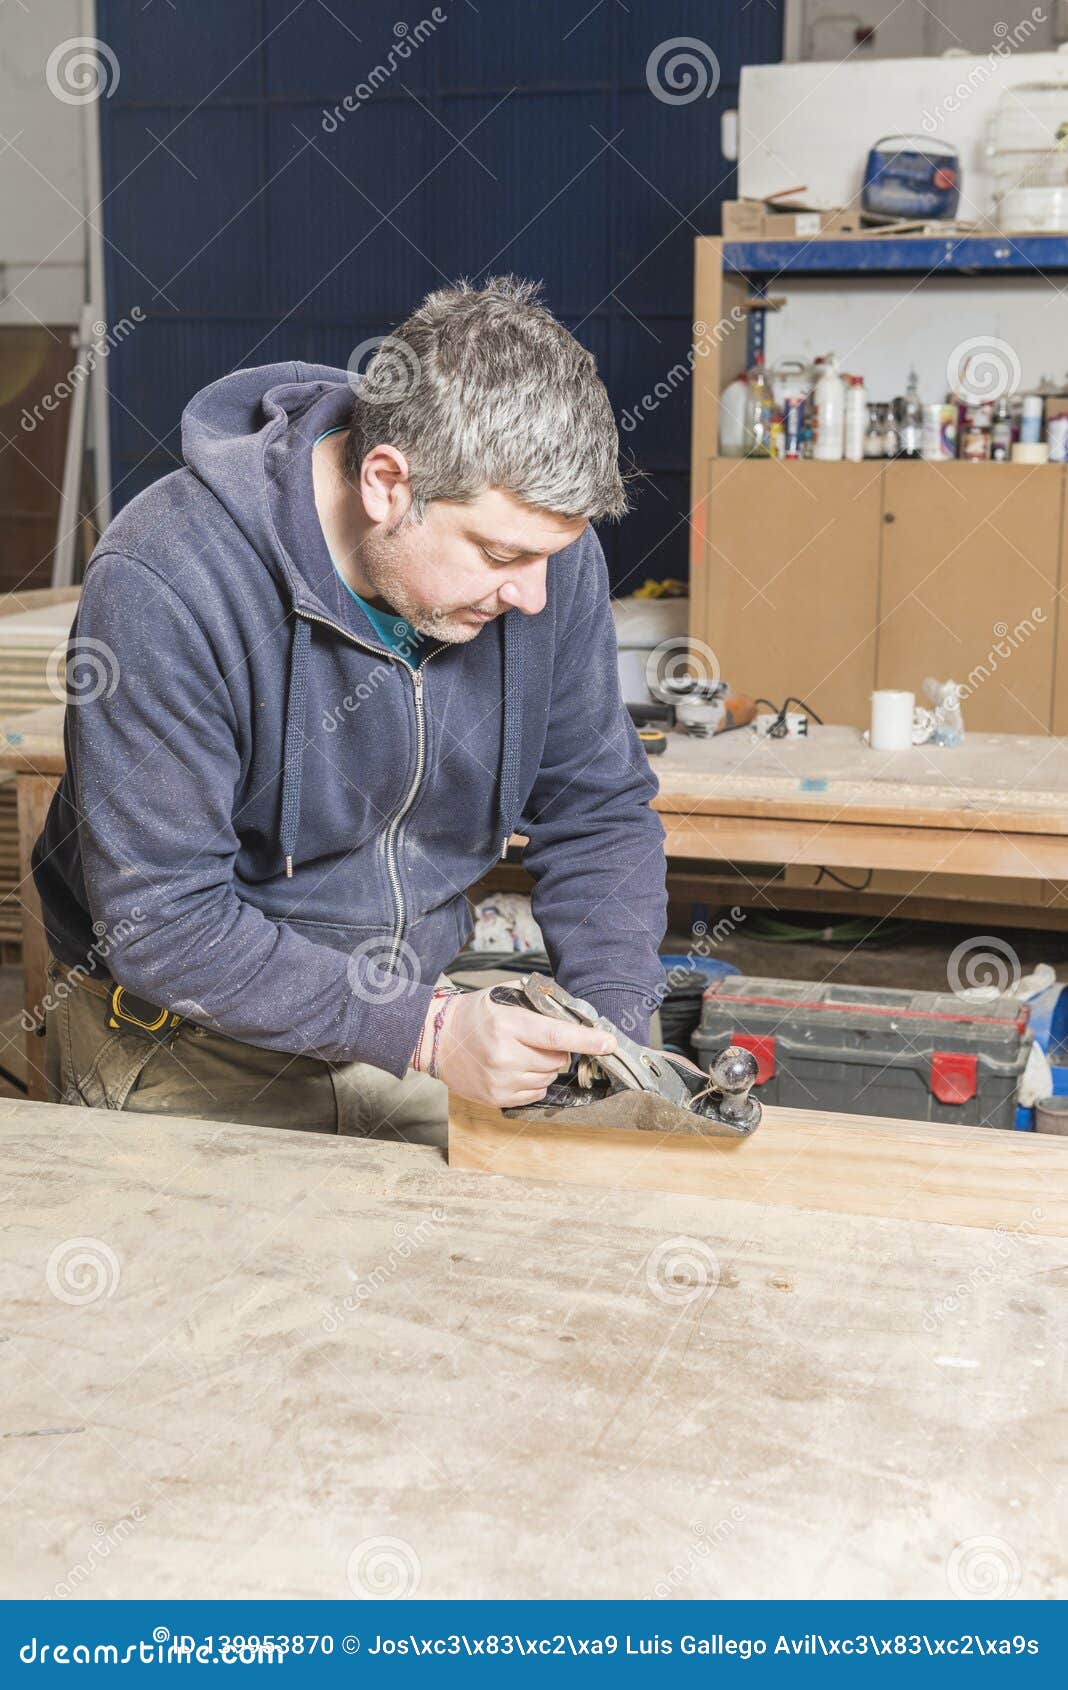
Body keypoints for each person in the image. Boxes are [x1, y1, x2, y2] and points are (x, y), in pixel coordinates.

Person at [32, 276, 667, 1137]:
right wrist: (431, 1032)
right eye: (499, 554)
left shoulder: (542, 560)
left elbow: (598, 808)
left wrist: (614, 1022)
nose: (533, 596)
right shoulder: (167, 579)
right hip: (188, 1049)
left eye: (553, 553)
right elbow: (161, 921)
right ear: (386, 482)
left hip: (410, 1026)